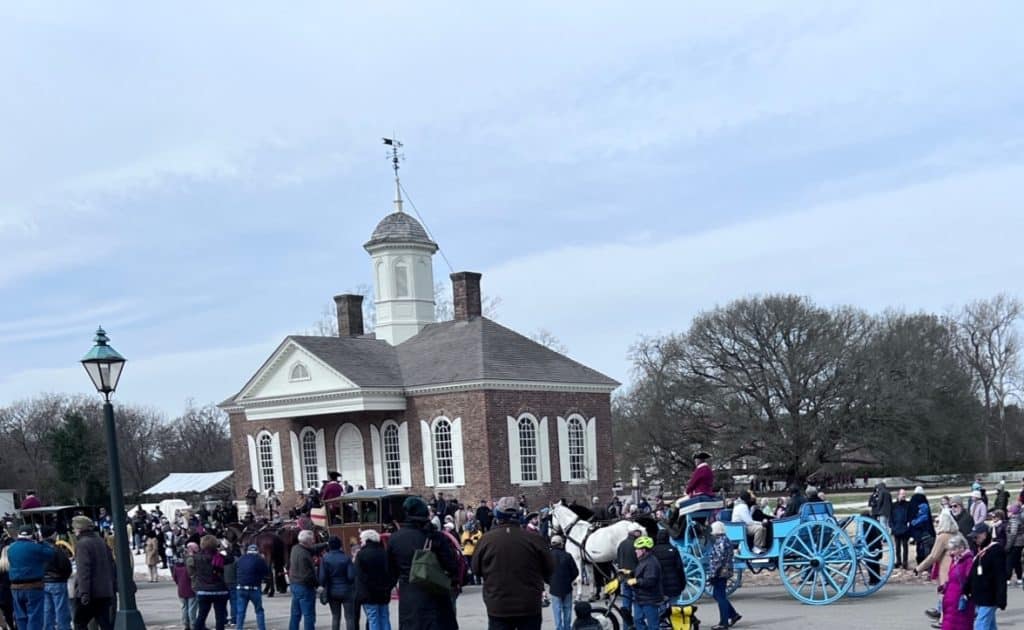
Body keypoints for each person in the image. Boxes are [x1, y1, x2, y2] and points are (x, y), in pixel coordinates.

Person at [472, 496, 554, 630]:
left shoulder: (486, 540)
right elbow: (550, 569)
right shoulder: (534, 539)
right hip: (529, 605)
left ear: (497, 515)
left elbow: (476, 569)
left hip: (498, 606)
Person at [387, 496, 458, 630]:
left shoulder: (395, 539)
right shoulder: (436, 536)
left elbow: (390, 572)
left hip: (410, 600)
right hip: (436, 595)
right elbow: (452, 566)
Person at [72, 516, 116, 630]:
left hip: (91, 593)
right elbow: (111, 564)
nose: (73, 531)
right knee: (105, 623)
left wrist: (84, 593)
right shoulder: (100, 541)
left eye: (74, 528)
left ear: (79, 529)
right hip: (105, 591)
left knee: (79, 623)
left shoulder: (82, 544)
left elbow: (83, 571)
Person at [7, 524, 53, 630]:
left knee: (21, 617)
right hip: (33, 586)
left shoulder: (11, 548)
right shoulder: (36, 547)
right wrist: (42, 541)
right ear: (33, 535)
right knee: (35, 617)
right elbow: (51, 554)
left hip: (15, 587)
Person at [917, 510, 959, 622]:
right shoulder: (958, 534)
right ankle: (942, 614)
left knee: (944, 595)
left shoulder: (942, 537)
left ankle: (943, 620)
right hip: (957, 569)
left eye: (938, 521)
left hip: (946, 570)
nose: (936, 524)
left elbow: (933, 556)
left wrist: (919, 568)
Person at [964, 523, 1006, 630]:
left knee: (980, 625)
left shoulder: (996, 550)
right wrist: (966, 588)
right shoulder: (979, 551)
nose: (974, 539)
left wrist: (1001, 596)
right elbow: (973, 573)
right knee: (990, 625)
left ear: (984, 535)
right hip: (979, 595)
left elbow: (1000, 575)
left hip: (990, 596)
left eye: (976, 536)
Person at [190, 534, 233, 630]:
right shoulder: (219, 557)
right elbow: (230, 559)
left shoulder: (196, 557)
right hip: (219, 589)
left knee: (201, 616)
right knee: (220, 617)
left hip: (203, 589)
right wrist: (226, 547)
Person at [353, 529, 393, 630]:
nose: (361, 541)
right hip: (384, 592)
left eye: (361, 539)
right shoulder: (384, 553)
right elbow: (391, 573)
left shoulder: (361, 555)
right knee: (384, 618)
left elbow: (360, 575)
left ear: (366, 540)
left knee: (373, 619)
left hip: (369, 594)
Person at [319, 536, 357, 630]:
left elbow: (322, 578)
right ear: (340, 545)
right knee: (349, 618)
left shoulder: (325, 558)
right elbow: (351, 576)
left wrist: (324, 586)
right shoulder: (346, 558)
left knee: (335, 616)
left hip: (332, 590)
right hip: (346, 591)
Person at [708, 521, 740, 630]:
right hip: (725, 571)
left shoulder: (719, 542)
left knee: (719, 596)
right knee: (719, 595)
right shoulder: (726, 540)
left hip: (719, 572)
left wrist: (712, 574)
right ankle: (733, 614)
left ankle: (723, 622)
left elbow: (717, 560)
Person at [627, 535, 662, 630]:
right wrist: (630, 572)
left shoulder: (652, 563)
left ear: (644, 550)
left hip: (650, 599)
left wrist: (636, 581)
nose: (635, 551)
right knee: (638, 620)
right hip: (640, 598)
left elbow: (650, 581)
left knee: (653, 626)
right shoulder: (643, 560)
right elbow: (641, 573)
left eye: (637, 549)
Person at [41, 525, 72, 630]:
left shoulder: (38, 548)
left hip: (43, 581)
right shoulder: (56, 549)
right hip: (57, 581)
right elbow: (66, 566)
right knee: (61, 610)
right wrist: (64, 577)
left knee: (47, 610)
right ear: (53, 534)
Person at [940, 535, 974, 630]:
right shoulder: (955, 560)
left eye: (953, 550)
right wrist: (945, 586)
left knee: (960, 625)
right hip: (950, 599)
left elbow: (970, 579)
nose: (951, 552)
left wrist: (966, 593)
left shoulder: (968, 561)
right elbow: (952, 579)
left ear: (961, 548)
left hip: (960, 600)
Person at [288, 530, 319, 630]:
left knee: (295, 614)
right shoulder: (305, 555)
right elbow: (308, 576)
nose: (313, 542)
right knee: (308, 614)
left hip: (294, 585)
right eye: (312, 540)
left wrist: (325, 544)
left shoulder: (295, 548)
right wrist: (317, 584)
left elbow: (312, 548)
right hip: (305, 587)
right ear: (308, 541)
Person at [548, 536, 578, 630]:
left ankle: (559, 628)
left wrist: (550, 582)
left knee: (557, 611)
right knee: (567, 610)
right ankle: (567, 628)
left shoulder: (548, 556)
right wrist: (569, 580)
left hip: (554, 588)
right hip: (567, 587)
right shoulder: (567, 555)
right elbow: (575, 572)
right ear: (561, 544)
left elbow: (543, 573)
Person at [235, 544, 268, 630]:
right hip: (254, 588)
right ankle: (262, 628)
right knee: (259, 611)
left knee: (240, 611)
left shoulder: (241, 559)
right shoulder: (259, 560)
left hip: (241, 587)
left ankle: (239, 628)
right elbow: (266, 572)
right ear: (257, 551)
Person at [614, 528, 643, 629]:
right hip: (634, 578)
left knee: (626, 604)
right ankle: (638, 625)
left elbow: (617, 559)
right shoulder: (637, 545)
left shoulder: (621, 544)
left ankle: (626, 626)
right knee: (637, 603)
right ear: (635, 534)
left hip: (624, 578)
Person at [652, 530, 686, 603]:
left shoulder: (653, 551)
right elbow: (679, 568)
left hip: (659, 585)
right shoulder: (674, 550)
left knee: (661, 609)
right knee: (673, 609)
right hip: (673, 584)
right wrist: (682, 584)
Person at [910, 486, 936, 564]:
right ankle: (926, 562)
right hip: (925, 528)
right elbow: (928, 516)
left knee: (919, 545)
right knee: (926, 545)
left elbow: (910, 515)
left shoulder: (912, 501)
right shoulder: (924, 501)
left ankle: (920, 561)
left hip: (916, 528)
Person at [173, 555, 198, 630]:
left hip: (181, 590)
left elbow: (175, 578)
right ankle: (193, 624)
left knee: (184, 607)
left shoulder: (176, 568)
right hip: (190, 589)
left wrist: (179, 583)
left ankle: (185, 624)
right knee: (192, 608)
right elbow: (193, 577)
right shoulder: (188, 568)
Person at [1005, 504, 1024, 586]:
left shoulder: (1014, 520)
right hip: (1020, 543)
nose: (1007, 513)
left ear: (1012, 512)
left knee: (1009, 561)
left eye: (1008, 511)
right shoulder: (1019, 518)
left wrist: (1008, 546)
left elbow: (1012, 535)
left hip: (1015, 544)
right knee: (1017, 562)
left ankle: (1008, 579)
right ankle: (1019, 578)